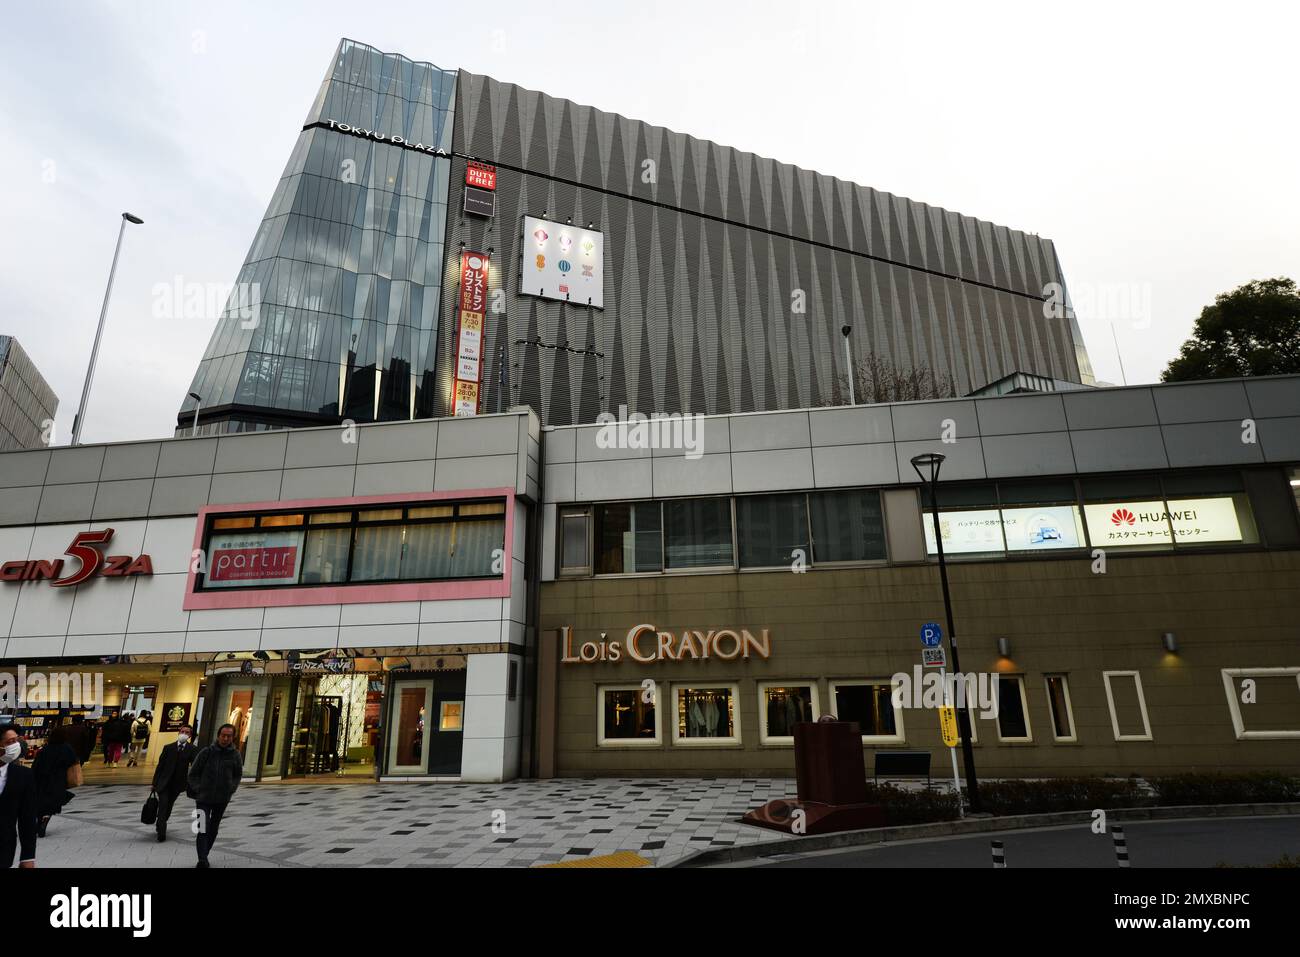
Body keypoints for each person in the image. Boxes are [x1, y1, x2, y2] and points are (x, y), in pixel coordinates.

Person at [187, 723, 242, 868]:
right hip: (203, 798)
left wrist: (231, 788)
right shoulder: (207, 752)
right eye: (223, 735)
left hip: (222, 798)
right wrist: (198, 789)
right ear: (218, 736)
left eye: (228, 736)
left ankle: (205, 852)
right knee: (203, 826)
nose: (225, 738)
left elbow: (237, 775)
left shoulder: (235, 755)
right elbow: (193, 773)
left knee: (214, 827)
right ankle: (202, 859)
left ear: (232, 738)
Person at [150, 724, 198, 843]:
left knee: (169, 806)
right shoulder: (168, 748)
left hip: (178, 784)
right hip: (163, 782)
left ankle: (161, 822)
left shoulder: (192, 749)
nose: (184, 734)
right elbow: (160, 766)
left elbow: (195, 765)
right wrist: (154, 783)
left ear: (190, 735)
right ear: (178, 732)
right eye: (182, 731)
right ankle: (162, 831)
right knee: (163, 804)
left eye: (187, 732)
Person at [0, 724, 37, 868]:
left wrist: (28, 857)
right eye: (9, 742)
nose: (15, 746)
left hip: (4, 846)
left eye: (16, 741)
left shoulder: (23, 776)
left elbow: (27, 817)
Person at [31, 724, 78, 837]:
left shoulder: (45, 749)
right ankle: (45, 821)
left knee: (41, 803)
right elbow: (72, 761)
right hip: (58, 779)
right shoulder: (67, 748)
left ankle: (39, 822)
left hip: (42, 780)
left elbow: (36, 765)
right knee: (53, 804)